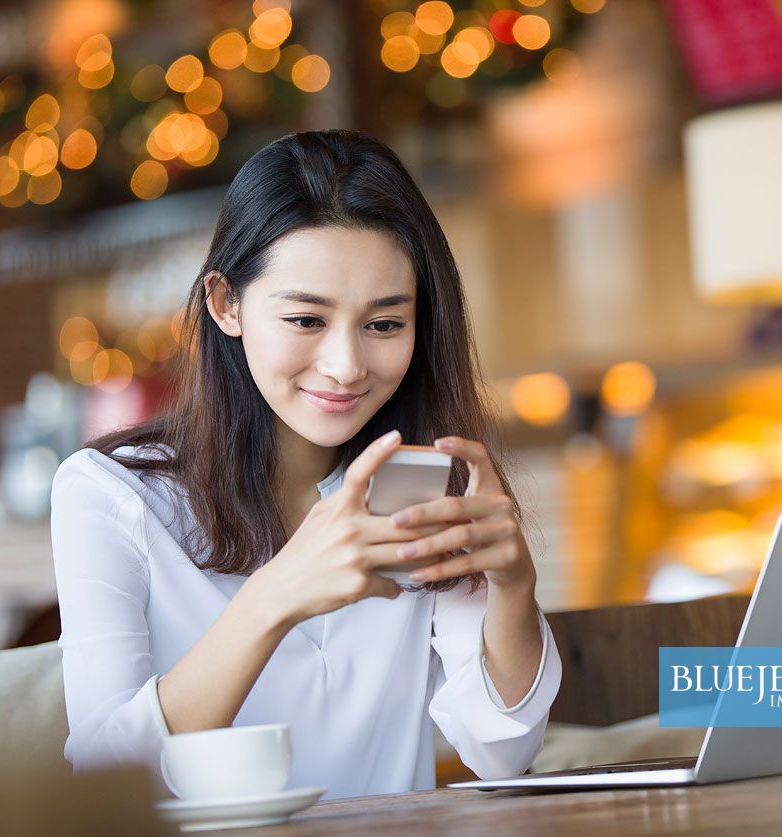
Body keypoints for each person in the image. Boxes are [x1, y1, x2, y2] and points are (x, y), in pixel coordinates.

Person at [49, 130, 561, 800]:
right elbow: (102, 781)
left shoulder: (418, 482)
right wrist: (275, 596)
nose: (347, 365)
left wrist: (514, 584)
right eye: (305, 320)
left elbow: (500, 749)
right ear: (225, 304)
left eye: (383, 325)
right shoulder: (111, 495)